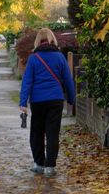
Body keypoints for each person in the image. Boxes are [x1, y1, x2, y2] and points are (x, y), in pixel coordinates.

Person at [19, 28, 76, 178]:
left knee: (36, 133)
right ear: (52, 40)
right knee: (52, 134)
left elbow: (27, 82)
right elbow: (68, 80)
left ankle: (39, 164)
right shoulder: (59, 57)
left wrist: (23, 102)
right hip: (55, 100)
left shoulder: (34, 58)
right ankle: (50, 166)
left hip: (38, 101)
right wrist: (71, 99)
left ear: (38, 40)